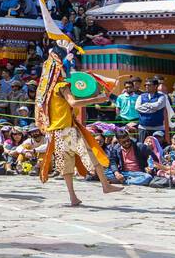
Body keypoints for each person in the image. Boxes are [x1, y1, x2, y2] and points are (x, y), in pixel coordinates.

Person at [34, 45, 124, 206]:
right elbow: (73, 102)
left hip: (57, 131)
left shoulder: (48, 91)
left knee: (66, 163)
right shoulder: (62, 86)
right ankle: (105, 185)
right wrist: (97, 99)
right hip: (68, 130)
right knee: (90, 154)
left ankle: (73, 197)